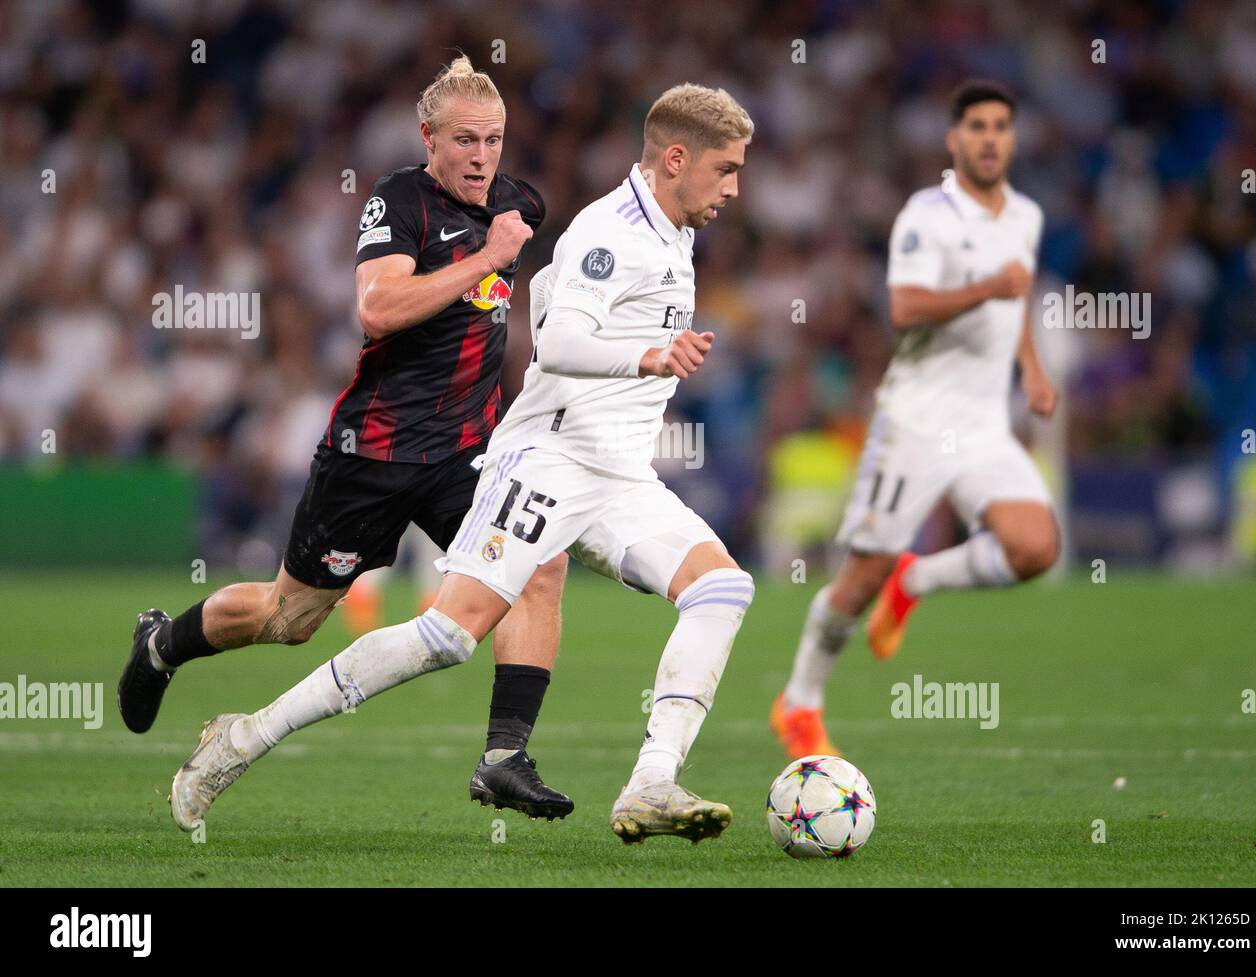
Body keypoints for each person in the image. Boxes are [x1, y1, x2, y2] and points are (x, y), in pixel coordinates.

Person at [168, 82, 756, 845]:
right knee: (447, 636)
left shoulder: (669, 228)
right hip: (547, 460)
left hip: (618, 474)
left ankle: (650, 782)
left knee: (721, 587)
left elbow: (546, 293)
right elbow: (562, 343)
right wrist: (648, 355)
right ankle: (243, 737)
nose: (735, 188)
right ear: (676, 159)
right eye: (726, 169)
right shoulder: (614, 233)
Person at [118, 56, 572, 818]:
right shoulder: (400, 202)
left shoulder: (520, 203)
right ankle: (164, 642)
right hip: (376, 452)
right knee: (290, 618)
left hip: (466, 451)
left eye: (493, 140)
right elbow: (378, 308)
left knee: (538, 565)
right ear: (429, 137)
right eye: (465, 140)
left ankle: (504, 756)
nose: (482, 156)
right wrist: (486, 259)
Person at [771, 80, 1060, 759]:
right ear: (955, 140)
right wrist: (988, 286)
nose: (990, 138)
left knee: (1035, 546)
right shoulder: (925, 215)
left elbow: (1012, 310)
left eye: (1001, 127)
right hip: (918, 418)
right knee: (859, 573)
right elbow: (904, 308)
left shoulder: (1025, 216)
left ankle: (918, 578)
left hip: (985, 421)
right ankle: (800, 701)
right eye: (977, 127)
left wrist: (1034, 369)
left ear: (1011, 139)